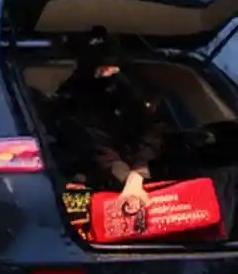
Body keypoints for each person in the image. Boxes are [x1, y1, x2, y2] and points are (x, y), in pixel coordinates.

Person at [48, 36, 169, 213]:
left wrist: (138, 171)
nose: (110, 73)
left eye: (115, 67)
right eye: (103, 68)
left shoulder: (127, 93)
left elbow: (151, 129)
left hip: (143, 173)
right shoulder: (71, 102)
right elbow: (90, 147)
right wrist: (123, 172)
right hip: (94, 181)